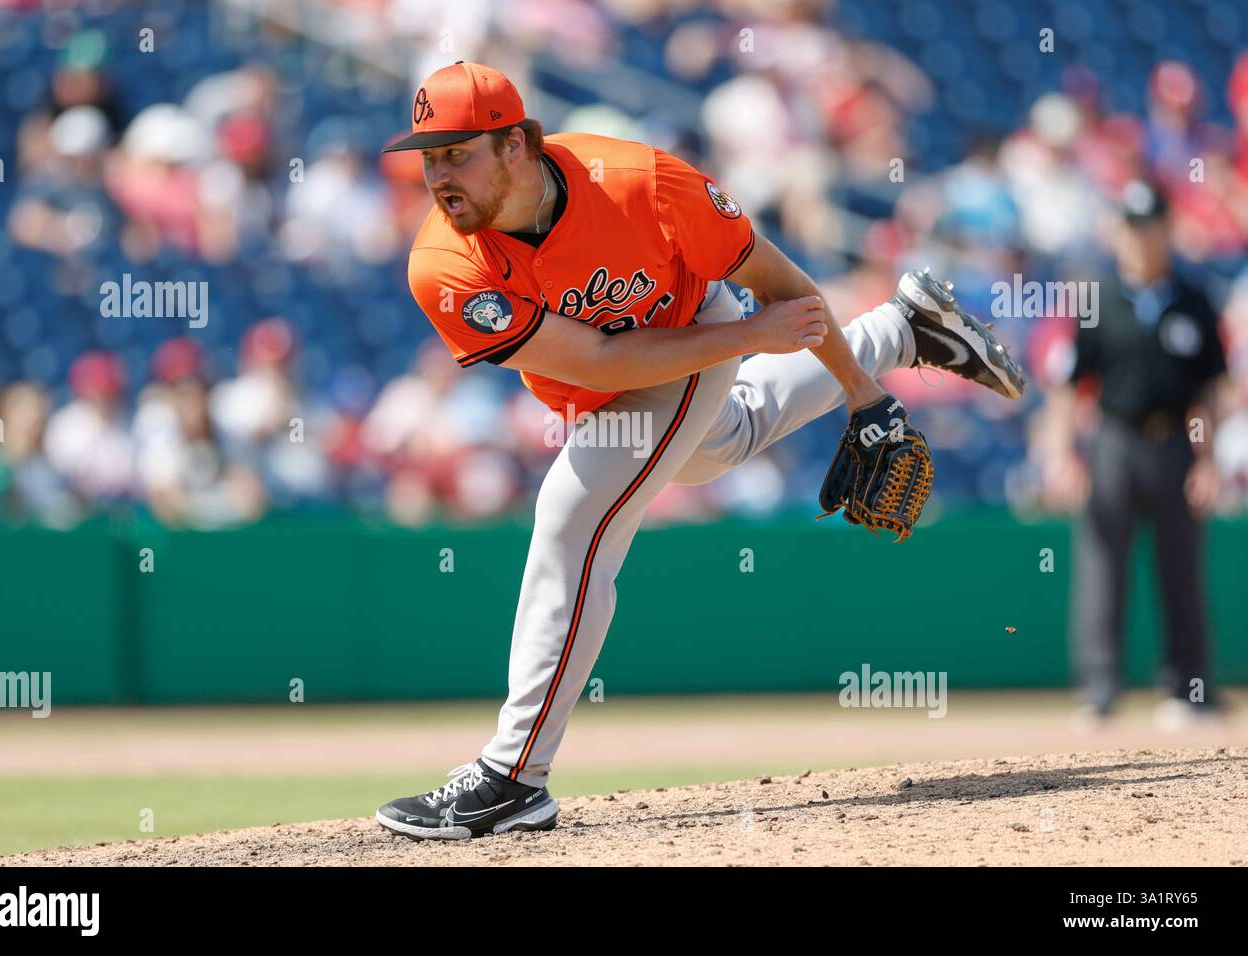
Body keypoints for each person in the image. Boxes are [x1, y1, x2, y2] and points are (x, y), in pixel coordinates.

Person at [373, 62, 1026, 840]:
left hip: (693, 333)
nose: (439, 175)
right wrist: (760, 340)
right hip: (614, 378)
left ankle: (514, 777)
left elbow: (782, 286)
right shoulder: (443, 265)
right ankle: (907, 326)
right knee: (724, 442)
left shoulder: (643, 181)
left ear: (517, 144)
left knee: (571, 519)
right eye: (429, 156)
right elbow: (602, 364)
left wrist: (863, 395)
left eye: (459, 152)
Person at [1041, 181, 1229, 732]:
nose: (1140, 239)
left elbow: (1210, 392)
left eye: (1150, 227)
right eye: (1131, 227)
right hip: (1113, 441)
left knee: (1182, 569)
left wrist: (1208, 458)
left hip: (1175, 441)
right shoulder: (1098, 300)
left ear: (1167, 230)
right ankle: (1100, 691)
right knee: (1102, 568)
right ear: (1119, 232)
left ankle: (1190, 689)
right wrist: (1061, 455)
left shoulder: (1193, 299)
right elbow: (1068, 383)